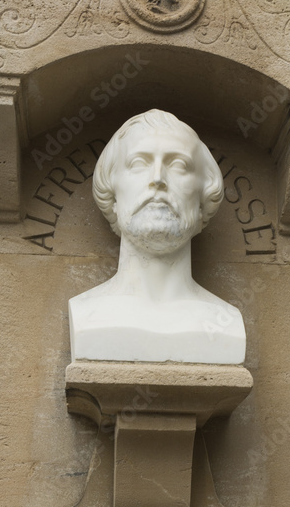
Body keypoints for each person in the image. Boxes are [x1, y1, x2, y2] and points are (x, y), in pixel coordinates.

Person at [68, 109, 246, 364]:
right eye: (139, 163)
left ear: (202, 199)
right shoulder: (87, 314)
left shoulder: (224, 323)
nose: (158, 179)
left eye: (179, 165)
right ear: (112, 193)